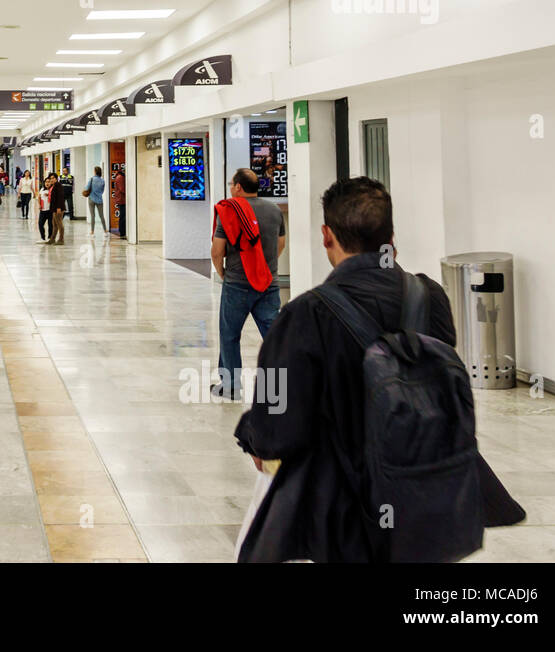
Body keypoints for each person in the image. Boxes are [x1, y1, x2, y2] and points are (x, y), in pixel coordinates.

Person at [233, 177, 523, 562]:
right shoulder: (429, 297)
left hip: (344, 515)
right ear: (390, 237)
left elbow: (275, 428)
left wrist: (251, 434)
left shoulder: (302, 315)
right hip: (425, 499)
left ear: (326, 236)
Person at [210, 168, 286, 398]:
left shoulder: (229, 211)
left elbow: (217, 251)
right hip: (269, 284)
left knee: (230, 335)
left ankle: (231, 387)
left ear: (238, 187)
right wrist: (264, 268)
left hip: (237, 284)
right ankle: (277, 387)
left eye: (231, 184)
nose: (231, 188)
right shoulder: (274, 210)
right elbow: (280, 244)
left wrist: (223, 273)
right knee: (273, 336)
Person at [83, 166, 106, 233]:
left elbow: (87, 188)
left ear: (95, 172)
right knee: (101, 215)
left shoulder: (91, 179)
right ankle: (105, 230)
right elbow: (102, 190)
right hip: (99, 199)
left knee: (92, 216)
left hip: (91, 199)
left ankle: (92, 231)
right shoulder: (102, 180)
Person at [48, 171, 68, 244]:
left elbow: (60, 197)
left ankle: (61, 239)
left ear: (56, 179)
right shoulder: (53, 186)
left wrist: (59, 207)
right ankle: (52, 239)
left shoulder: (58, 186)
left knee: (59, 224)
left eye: (53, 178)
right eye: (50, 178)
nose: (51, 180)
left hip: (58, 208)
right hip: (54, 208)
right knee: (55, 224)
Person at [36, 174, 54, 242]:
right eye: (46, 182)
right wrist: (39, 205)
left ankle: (50, 237)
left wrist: (49, 195)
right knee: (40, 224)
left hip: (50, 210)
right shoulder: (42, 189)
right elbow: (39, 197)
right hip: (43, 210)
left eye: (49, 182)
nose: (47, 183)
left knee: (50, 225)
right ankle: (42, 238)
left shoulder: (52, 190)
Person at [111, 168, 127, 238]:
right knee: (123, 217)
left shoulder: (119, 177)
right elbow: (122, 189)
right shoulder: (120, 177)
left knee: (122, 216)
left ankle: (122, 232)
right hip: (122, 199)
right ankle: (122, 233)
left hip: (121, 199)